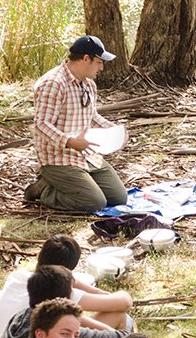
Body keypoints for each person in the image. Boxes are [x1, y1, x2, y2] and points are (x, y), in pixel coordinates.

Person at [27, 35, 129, 212]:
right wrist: (71, 142)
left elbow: (92, 115)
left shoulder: (88, 84)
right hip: (59, 158)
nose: (102, 67)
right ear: (86, 58)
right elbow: (41, 124)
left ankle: (72, 183)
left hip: (86, 154)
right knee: (94, 203)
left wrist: (114, 130)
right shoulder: (54, 83)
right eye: (99, 62)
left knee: (119, 197)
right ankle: (44, 188)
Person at [0, 234, 133, 338]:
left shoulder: (17, 276)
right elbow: (123, 302)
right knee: (121, 324)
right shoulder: (59, 294)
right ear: (69, 272)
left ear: (38, 256)